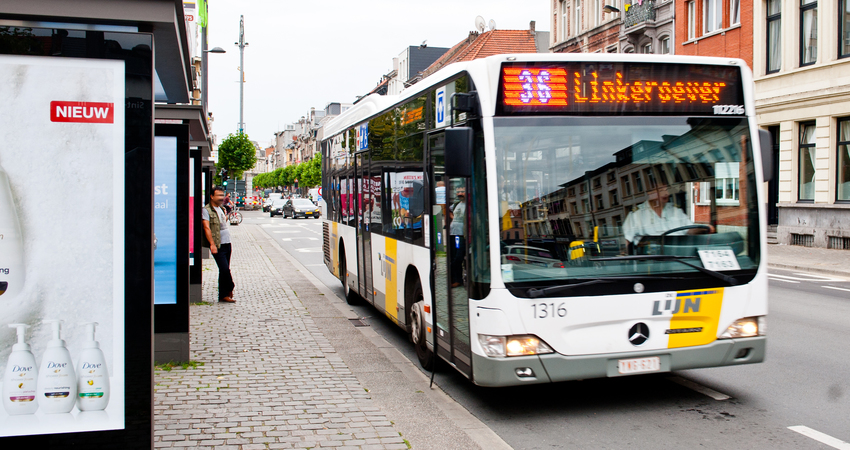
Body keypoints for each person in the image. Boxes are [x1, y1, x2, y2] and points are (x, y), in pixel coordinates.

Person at [622, 180, 712, 249]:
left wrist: (702, 228)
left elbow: (689, 230)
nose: (667, 194)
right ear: (650, 193)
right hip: (650, 261)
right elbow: (625, 240)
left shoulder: (676, 211)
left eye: (667, 190)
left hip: (678, 257)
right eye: (661, 190)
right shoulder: (636, 214)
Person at [203, 186, 235, 303]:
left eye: (222, 195)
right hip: (218, 244)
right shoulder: (206, 210)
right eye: (219, 195)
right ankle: (230, 286)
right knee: (224, 269)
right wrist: (212, 244)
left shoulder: (221, 208)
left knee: (224, 270)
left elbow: (222, 223)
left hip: (227, 242)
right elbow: (206, 227)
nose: (221, 198)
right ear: (212, 196)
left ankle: (223, 295)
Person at [449, 187, 466, 288]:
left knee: (458, 257)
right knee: (453, 256)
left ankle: (458, 279)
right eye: (458, 192)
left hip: (462, 234)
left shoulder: (469, 204)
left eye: (462, 191)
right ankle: (457, 279)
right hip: (453, 233)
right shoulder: (456, 204)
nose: (460, 193)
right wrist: (453, 218)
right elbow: (448, 210)